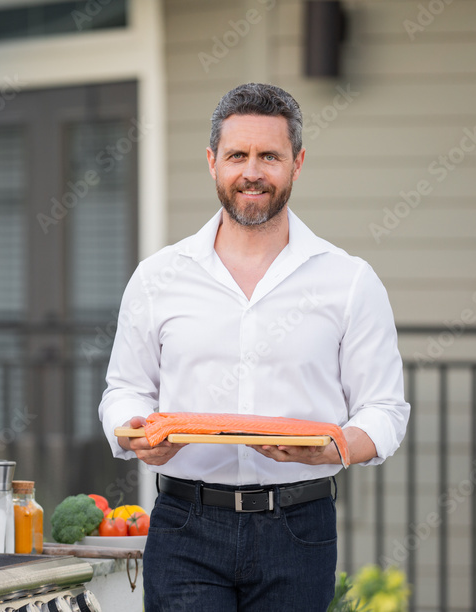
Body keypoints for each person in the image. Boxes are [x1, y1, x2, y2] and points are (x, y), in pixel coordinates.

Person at [98, 83, 410, 611]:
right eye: (237, 155)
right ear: (212, 162)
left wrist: (337, 446)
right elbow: (124, 391)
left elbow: (385, 409)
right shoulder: (158, 277)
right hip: (185, 524)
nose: (252, 172)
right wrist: (136, 436)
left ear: (298, 162)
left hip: (298, 527)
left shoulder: (349, 280)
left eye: (270, 156)